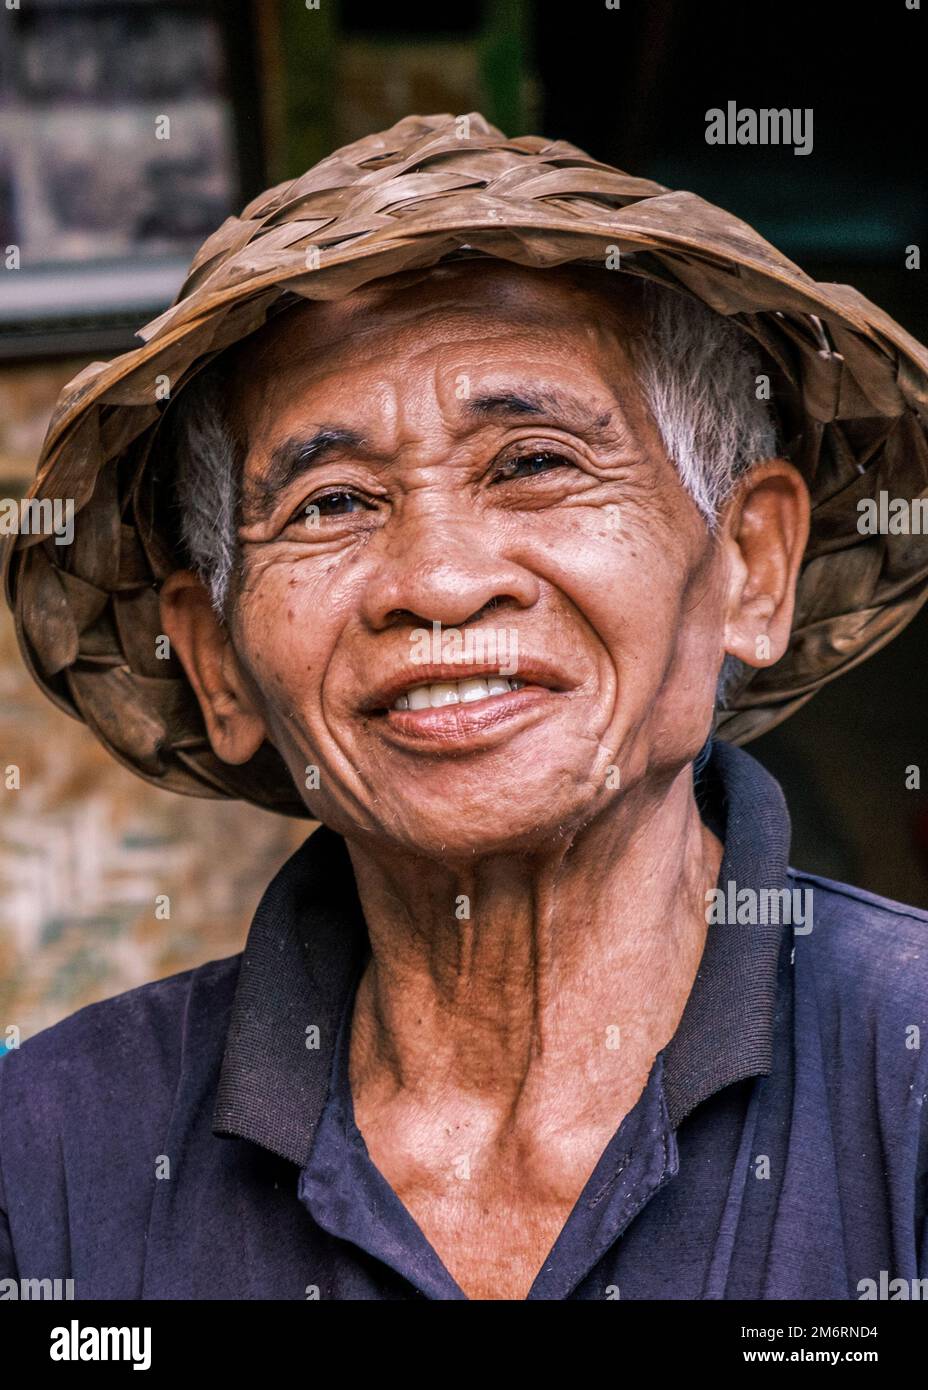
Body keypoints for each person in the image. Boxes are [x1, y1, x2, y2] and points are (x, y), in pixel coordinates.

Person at [2, 112, 927, 1301]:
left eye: (535, 462)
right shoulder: (57, 1154)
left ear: (750, 566)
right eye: (331, 503)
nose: (436, 580)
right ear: (217, 662)